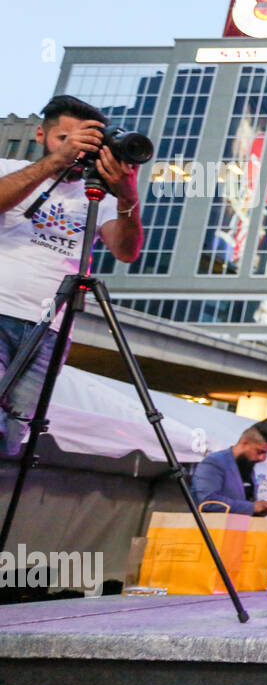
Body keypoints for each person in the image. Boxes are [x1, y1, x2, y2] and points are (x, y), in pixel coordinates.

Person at [0, 95, 143, 456]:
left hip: (50, 327)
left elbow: (126, 251)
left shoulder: (102, 196)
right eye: (65, 139)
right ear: (40, 134)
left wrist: (127, 196)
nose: (75, 151)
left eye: (84, 143)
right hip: (1, 309)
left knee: (12, 433)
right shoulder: (8, 169)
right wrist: (54, 164)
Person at [191, 414, 267, 516]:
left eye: (265, 453)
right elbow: (206, 501)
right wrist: (253, 507)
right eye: (259, 451)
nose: (262, 458)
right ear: (244, 443)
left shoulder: (246, 466)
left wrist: (261, 510)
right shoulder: (214, 462)